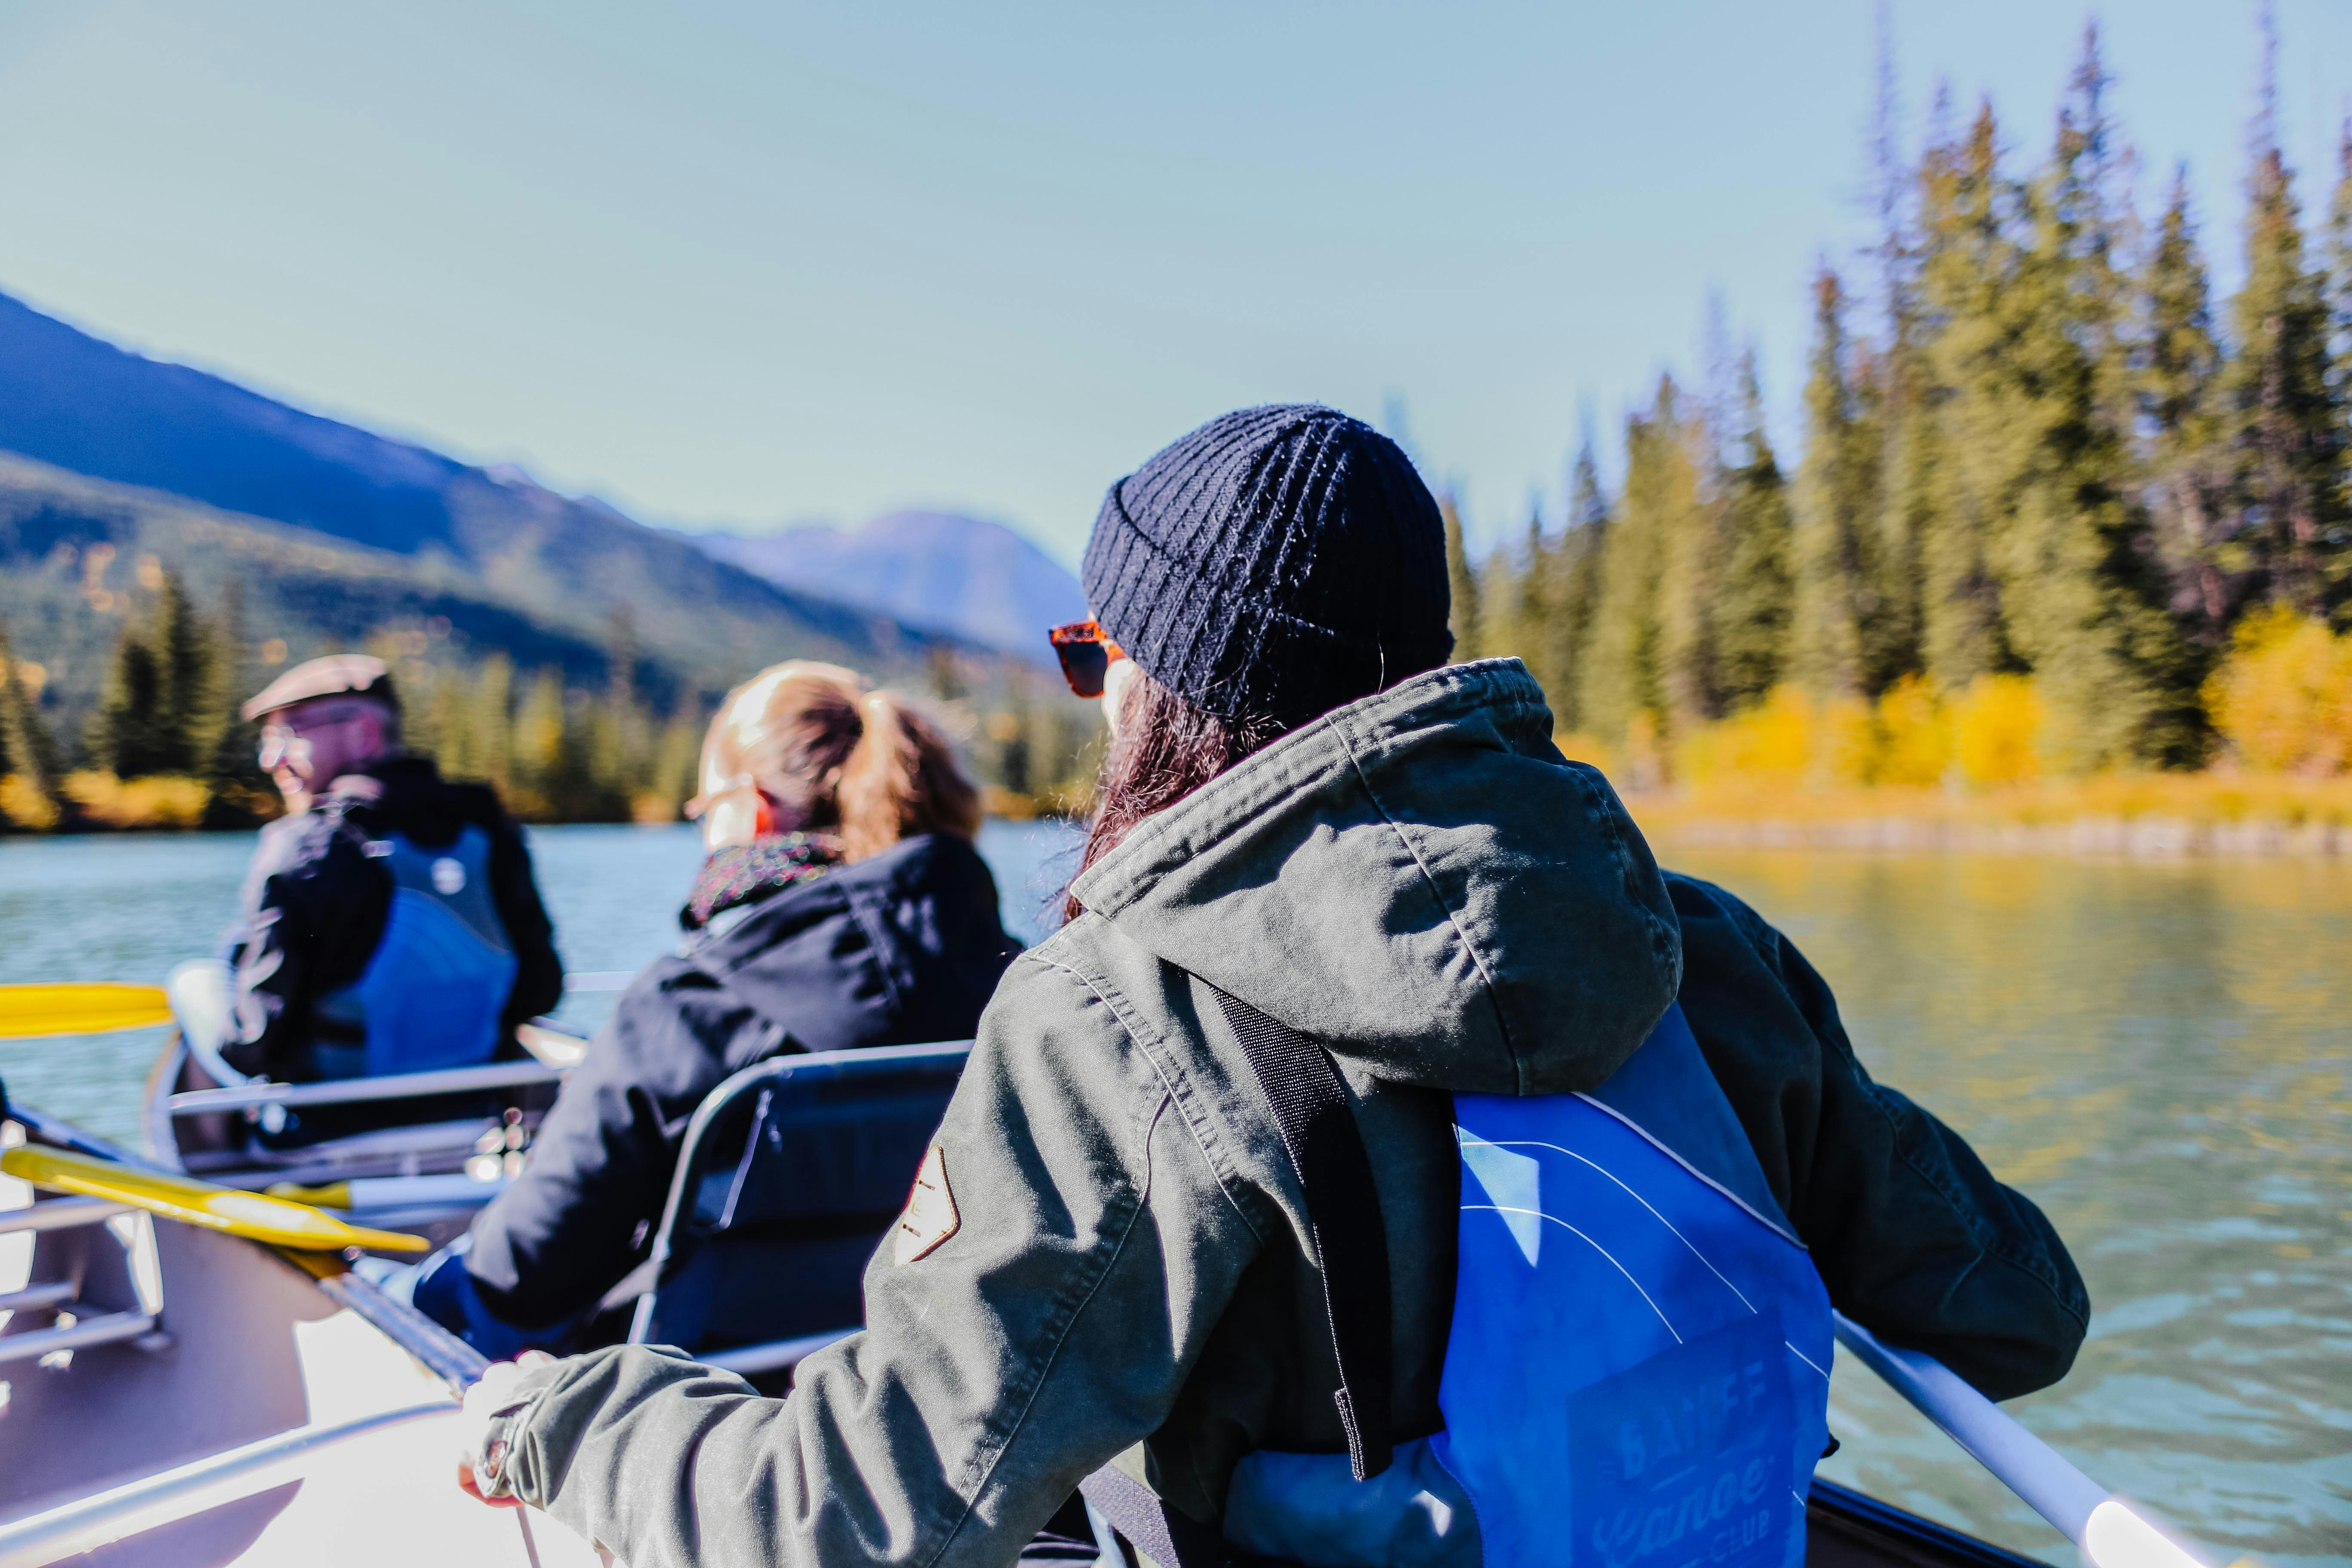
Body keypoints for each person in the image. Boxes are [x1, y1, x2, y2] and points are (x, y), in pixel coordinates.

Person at [454, 408, 2088, 1568]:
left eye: (1094, 654)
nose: (1089, 697)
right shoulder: (1705, 947)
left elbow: (864, 1518)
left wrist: (573, 1418)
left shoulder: (1118, 1014)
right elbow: (2016, 1310)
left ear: (1165, 688)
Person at [412, 661, 1020, 1356]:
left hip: (711, 1399)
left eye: (704, 811)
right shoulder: (1020, 981)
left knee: (442, 1290)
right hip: (932, 1364)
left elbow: (520, 1278)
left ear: (751, 807)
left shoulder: (688, 1010)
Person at [176, 654, 562, 1121]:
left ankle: (212, 1170)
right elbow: (541, 990)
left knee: (192, 983)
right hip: (469, 1106)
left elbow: (253, 1044)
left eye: (290, 733)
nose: (270, 759)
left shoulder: (302, 847)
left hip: (333, 1124)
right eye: (268, 740)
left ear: (363, 732)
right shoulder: (490, 829)